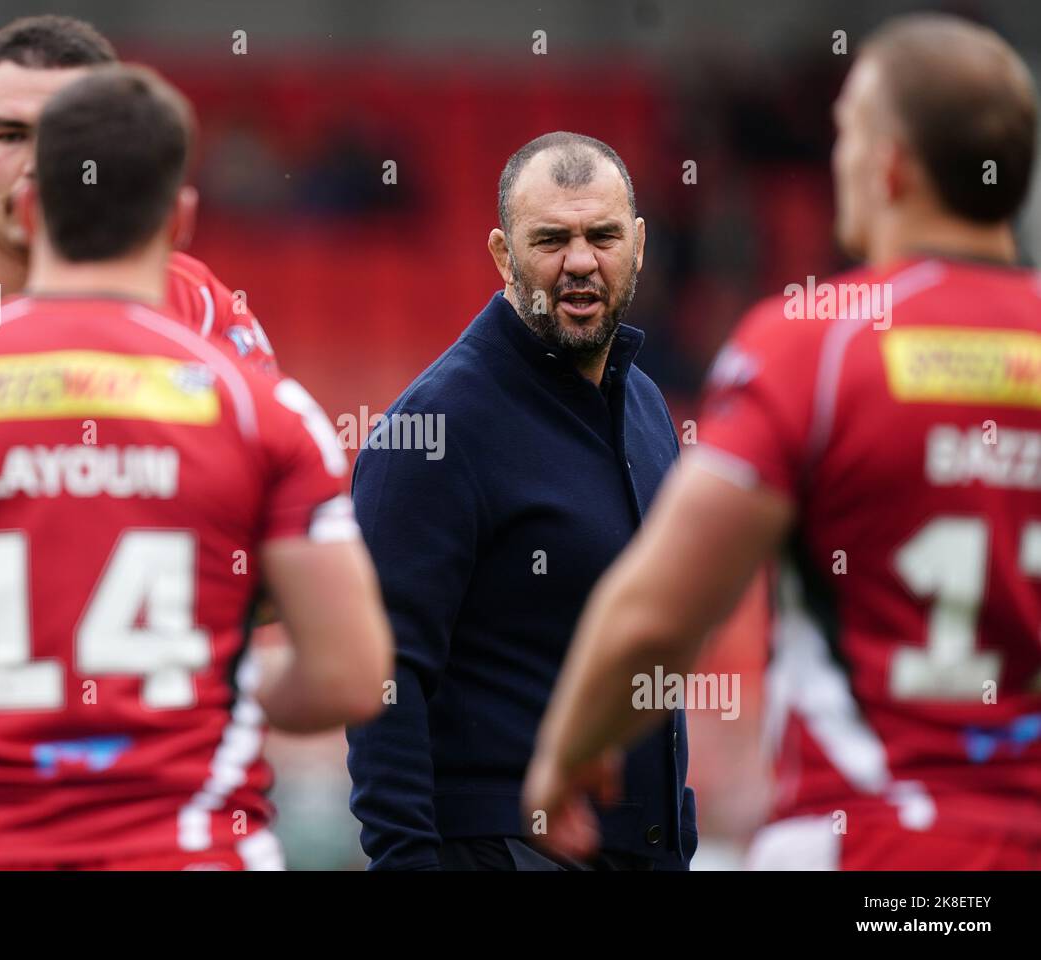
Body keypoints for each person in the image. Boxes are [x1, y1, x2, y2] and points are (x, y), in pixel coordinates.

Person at [0, 62, 393, 871]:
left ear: (29, 203)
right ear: (183, 215)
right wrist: (186, 689)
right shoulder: (260, 408)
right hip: (184, 845)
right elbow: (349, 672)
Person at [523, 13, 1041, 870]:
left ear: (890, 166)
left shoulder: (817, 345)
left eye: (845, 135)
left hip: (867, 848)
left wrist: (566, 754)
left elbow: (659, 615)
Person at [346, 131, 696, 870]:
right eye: (551, 240)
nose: (579, 262)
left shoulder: (645, 405)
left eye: (602, 236)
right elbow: (382, 678)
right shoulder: (432, 430)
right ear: (503, 255)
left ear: (637, 244)